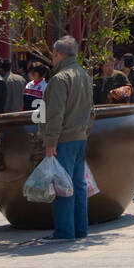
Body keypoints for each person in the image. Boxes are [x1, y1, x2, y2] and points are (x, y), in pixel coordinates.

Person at [40, 36, 94, 241]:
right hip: (80, 136)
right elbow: (91, 110)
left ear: (56, 54)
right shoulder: (83, 74)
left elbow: (56, 113)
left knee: (62, 185)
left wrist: (50, 141)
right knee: (78, 185)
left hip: (63, 139)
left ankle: (64, 230)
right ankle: (80, 229)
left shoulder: (60, 78)